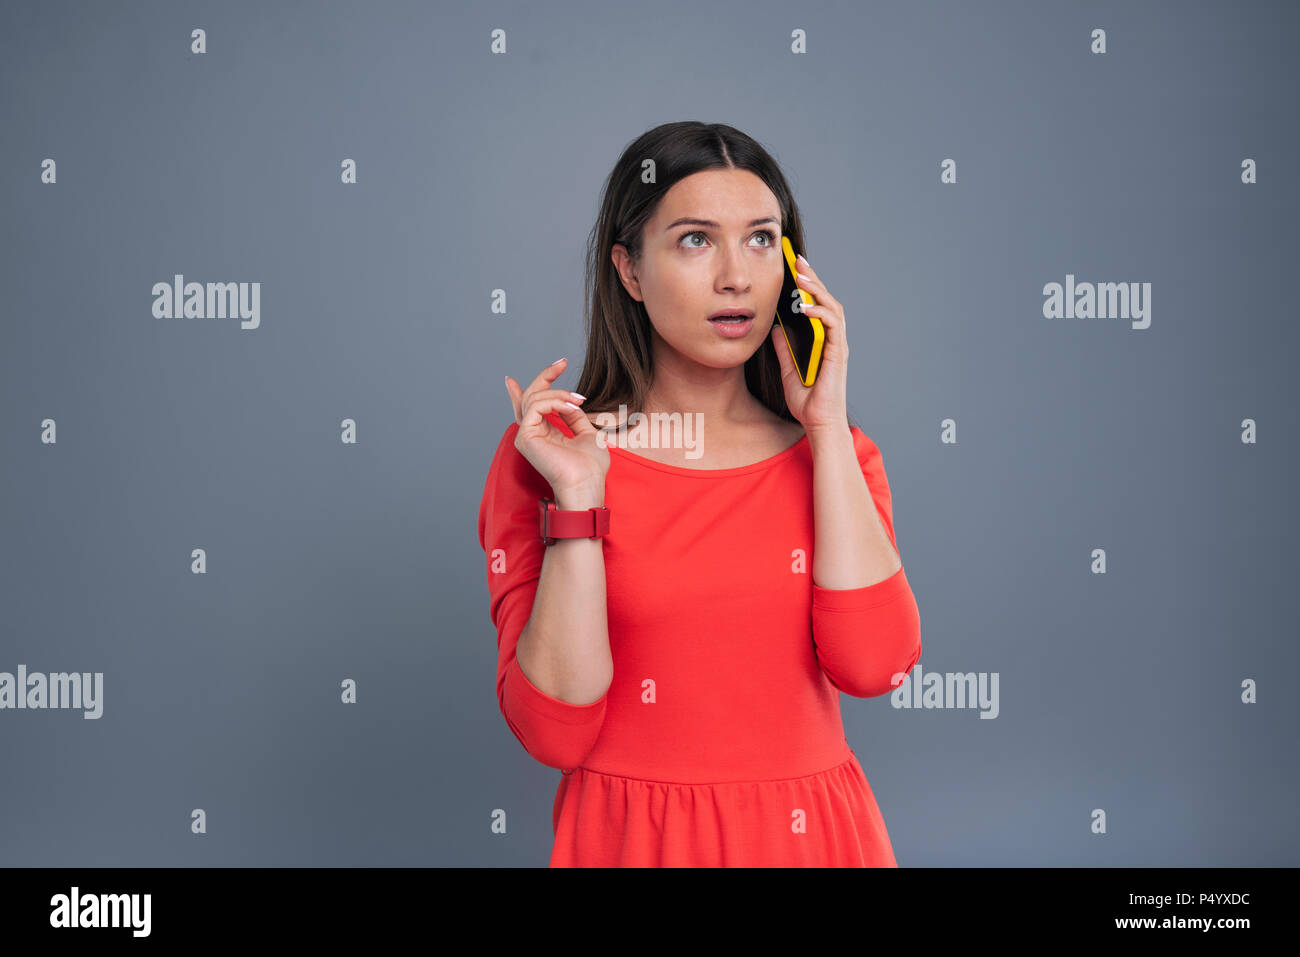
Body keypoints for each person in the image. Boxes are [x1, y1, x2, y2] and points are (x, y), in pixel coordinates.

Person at [477, 121, 922, 866]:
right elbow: (556, 729)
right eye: (694, 239)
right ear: (629, 270)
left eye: (760, 239)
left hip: (813, 839)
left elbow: (876, 666)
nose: (736, 277)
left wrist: (828, 427)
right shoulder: (550, 458)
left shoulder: (838, 455)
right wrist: (581, 499)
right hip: (631, 844)